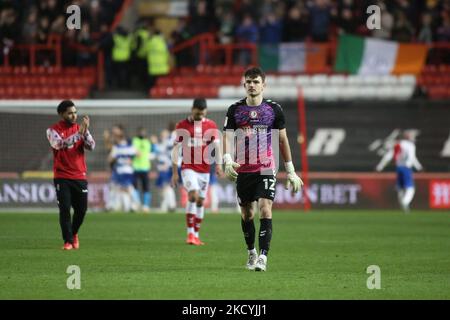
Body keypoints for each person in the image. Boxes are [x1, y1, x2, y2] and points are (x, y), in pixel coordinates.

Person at [222, 67, 303, 271]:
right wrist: (227, 159)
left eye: (255, 81)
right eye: (248, 82)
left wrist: (291, 170)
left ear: (263, 85)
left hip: (266, 167)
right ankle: (251, 252)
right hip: (243, 168)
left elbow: (282, 139)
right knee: (247, 214)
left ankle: (263, 257)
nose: (252, 85)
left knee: (265, 208)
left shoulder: (273, 110)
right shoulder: (235, 110)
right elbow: (228, 136)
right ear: (244, 85)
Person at [171, 98, 222, 246]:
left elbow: (217, 148)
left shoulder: (211, 125)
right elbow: (175, 150)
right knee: (192, 195)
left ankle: (197, 235)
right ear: (192, 109)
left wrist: (219, 166)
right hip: (188, 168)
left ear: (205, 111)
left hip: (205, 170)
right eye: (197, 112)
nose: (199, 115)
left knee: (200, 201)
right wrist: (175, 172)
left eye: (202, 113)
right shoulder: (182, 125)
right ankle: (190, 234)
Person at [46, 100, 95, 250]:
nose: (74, 116)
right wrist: (79, 133)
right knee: (65, 208)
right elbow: (58, 145)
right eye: (70, 113)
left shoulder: (81, 129)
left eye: (75, 112)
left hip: (79, 175)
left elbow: (91, 146)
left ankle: (74, 233)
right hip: (62, 175)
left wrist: (84, 133)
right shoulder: (52, 130)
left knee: (82, 210)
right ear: (62, 114)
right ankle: (67, 241)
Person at [376, 131, 423, 213]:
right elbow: (412, 157)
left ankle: (403, 206)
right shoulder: (410, 145)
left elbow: (388, 156)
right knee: (410, 188)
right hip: (406, 168)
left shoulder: (397, 144)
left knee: (400, 188)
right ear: (408, 138)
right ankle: (405, 203)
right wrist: (419, 167)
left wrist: (380, 166)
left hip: (399, 168)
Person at [108, 125, 138, 212]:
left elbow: (109, 159)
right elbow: (138, 153)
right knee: (127, 188)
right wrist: (130, 159)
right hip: (129, 170)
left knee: (118, 187)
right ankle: (131, 205)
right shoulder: (129, 146)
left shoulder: (117, 148)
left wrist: (117, 157)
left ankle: (112, 205)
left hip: (121, 171)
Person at [132, 127, 152, 212]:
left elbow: (152, 151)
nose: (142, 133)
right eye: (141, 132)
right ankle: (136, 204)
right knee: (134, 187)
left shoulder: (148, 142)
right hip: (136, 167)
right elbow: (134, 151)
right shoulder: (135, 140)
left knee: (146, 187)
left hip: (145, 168)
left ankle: (146, 206)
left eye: (143, 132)